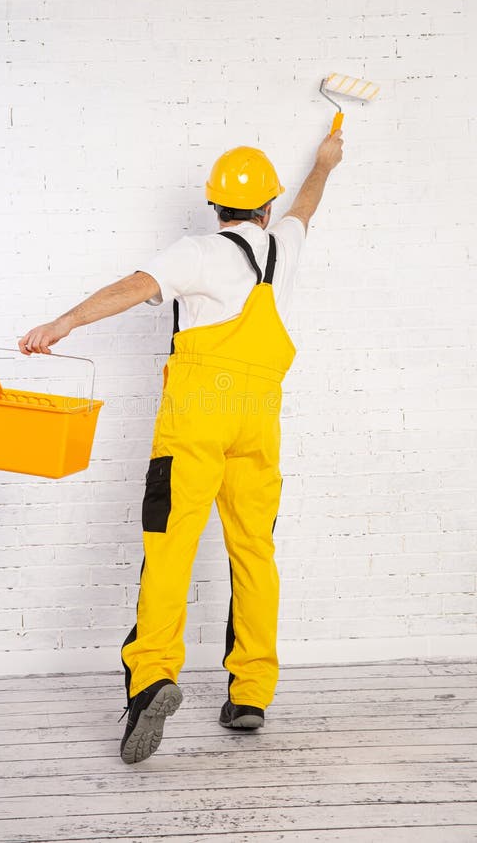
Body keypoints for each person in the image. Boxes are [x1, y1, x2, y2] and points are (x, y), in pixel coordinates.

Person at [18, 130, 344, 765]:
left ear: (214, 205)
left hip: (196, 424)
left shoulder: (198, 253)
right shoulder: (285, 246)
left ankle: (152, 683)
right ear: (266, 207)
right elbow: (307, 208)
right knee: (254, 552)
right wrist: (325, 164)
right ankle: (250, 692)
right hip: (259, 426)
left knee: (169, 550)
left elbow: (133, 287)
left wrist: (63, 324)